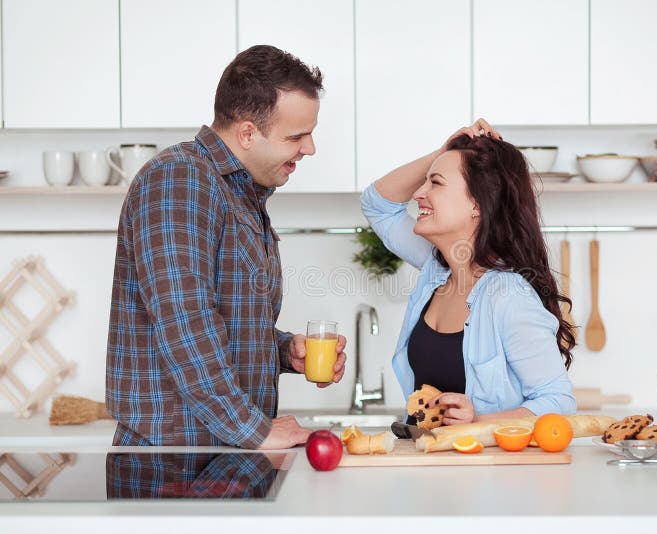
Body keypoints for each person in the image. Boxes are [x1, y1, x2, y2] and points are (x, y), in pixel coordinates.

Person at [106, 45, 346, 450]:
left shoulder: (240, 194)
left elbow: (224, 321)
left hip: (222, 454)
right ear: (248, 132)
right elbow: (185, 322)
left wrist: (286, 351)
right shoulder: (179, 179)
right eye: (296, 136)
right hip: (176, 460)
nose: (309, 148)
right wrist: (257, 430)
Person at [361, 119, 576, 425]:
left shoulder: (508, 296)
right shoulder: (435, 270)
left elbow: (559, 402)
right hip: (429, 465)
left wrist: (479, 422)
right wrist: (443, 152)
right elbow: (377, 205)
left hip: (481, 471)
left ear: (476, 203)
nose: (418, 193)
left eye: (435, 182)